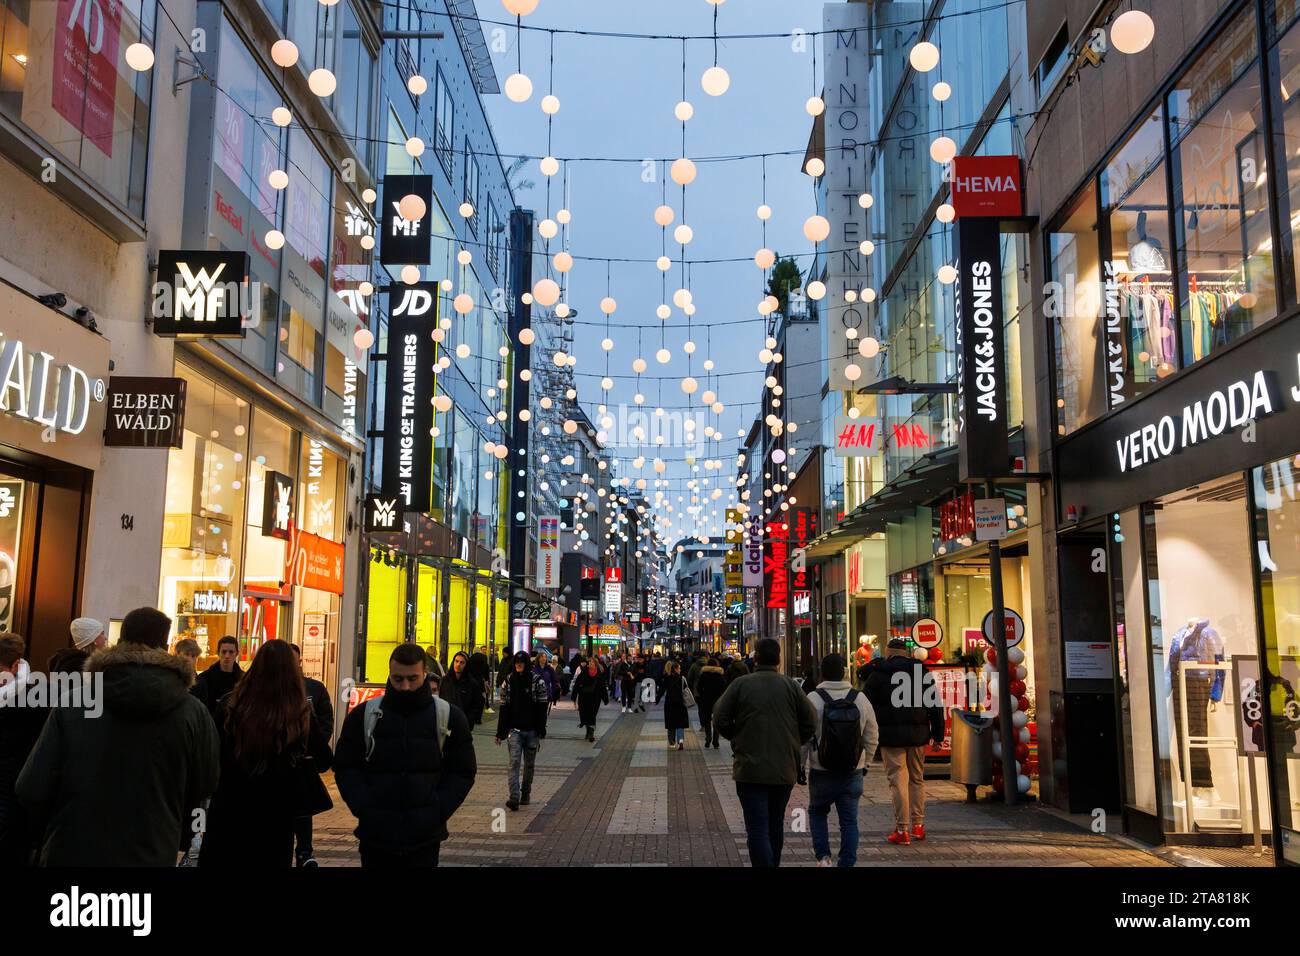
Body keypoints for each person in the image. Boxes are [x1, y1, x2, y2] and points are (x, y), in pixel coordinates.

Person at [17, 607, 219, 866]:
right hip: (151, 851)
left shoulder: (75, 702)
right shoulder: (193, 712)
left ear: (119, 641)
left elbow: (31, 787)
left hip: (72, 851)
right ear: (166, 645)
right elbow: (205, 784)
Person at [334, 643, 477, 867]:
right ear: (389, 675)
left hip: (424, 838)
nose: (406, 686)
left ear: (425, 674)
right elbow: (345, 766)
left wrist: (437, 811)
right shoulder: (365, 715)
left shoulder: (448, 717)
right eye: (398, 679)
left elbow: (463, 771)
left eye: (413, 678)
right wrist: (364, 808)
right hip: (376, 836)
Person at [198, 641, 332, 867]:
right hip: (276, 813)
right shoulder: (298, 712)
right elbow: (324, 760)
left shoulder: (232, 704)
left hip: (230, 807)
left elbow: (210, 753)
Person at [712, 638, 816, 868]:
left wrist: (737, 737)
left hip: (749, 769)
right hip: (783, 768)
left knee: (757, 828)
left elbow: (719, 718)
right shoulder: (790, 686)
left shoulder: (740, 685)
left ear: (755, 658)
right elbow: (811, 721)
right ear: (779, 659)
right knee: (775, 824)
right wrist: (794, 740)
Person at [863, 638, 944, 845]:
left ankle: (902, 830)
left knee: (898, 781)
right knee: (917, 779)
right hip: (918, 735)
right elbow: (934, 704)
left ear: (888, 653)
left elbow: (865, 705)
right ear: (906, 654)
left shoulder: (878, 674)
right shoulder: (920, 671)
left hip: (891, 737)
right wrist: (939, 735)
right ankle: (918, 825)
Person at [803, 653, 879, 868]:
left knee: (817, 813)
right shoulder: (860, 698)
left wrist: (800, 765)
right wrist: (867, 763)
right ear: (844, 673)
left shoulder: (813, 698)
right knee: (849, 821)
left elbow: (804, 737)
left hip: (821, 769)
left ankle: (823, 857)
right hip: (852, 770)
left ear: (822, 673)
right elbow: (872, 735)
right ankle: (846, 863)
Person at [289, 642, 335, 868]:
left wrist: (316, 744)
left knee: (302, 808)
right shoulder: (268, 691)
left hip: (302, 761)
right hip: (279, 764)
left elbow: (326, 721)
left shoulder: (313, 689)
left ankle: (304, 851)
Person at [495, 651, 550, 810]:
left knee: (529, 765)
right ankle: (514, 797)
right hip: (515, 731)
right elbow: (504, 707)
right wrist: (501, 732)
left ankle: (525, 793)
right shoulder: (509, 681)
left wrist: (541, 728)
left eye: (521, 663)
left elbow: (542, 705)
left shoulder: (536, 681)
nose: (519, 665)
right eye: (516, 663)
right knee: (514, 763)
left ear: (526, 663)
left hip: (532, 731)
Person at [191, 634, 243, 719]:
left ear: (237, 653)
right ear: (218, 652)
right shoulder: (204, 678)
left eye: (231, 652)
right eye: (224, 652)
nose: (227, 656)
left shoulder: (243, 679)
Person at [571, 657, 607, 742]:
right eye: (589, 662)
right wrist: (574, 696)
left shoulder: (599, 674)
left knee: (592, 715)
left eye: (592, 662)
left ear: (595, 664)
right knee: (585, 714)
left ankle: (591, 733)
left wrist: (605, 699)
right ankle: (588, 730)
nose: (590, 664)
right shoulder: (583, 672)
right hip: (584, 698)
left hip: (595, 698)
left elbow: (602, 687)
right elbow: (576, 685)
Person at [694, 656, 727, 749]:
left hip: (706, 700)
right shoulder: (719, 675)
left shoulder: (703, 675)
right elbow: (724, 687)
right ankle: (716, 741)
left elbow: (699, 687)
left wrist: (702, 695)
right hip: (717, 700)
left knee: (707, 720)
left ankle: (708, 738)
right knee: (716, 720)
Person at [658, 661, 690, 750]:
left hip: (669, 703)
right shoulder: (682, 678)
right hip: (680, 703)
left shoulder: (667, 678)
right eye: (679, 668)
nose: (680, 669)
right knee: (680, 723)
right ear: (675, 669)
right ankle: (680, 740)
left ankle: (672, 743)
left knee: (671, 723)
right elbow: (686, 689)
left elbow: (661, 690)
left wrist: (657, 700)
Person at [466, 652, 491, 725]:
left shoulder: (470, 664)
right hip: (480, 684)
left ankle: (472, 717)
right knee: (480, 701)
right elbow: (486, 675)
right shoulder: (484, 662)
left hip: (471, 684)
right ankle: (478, 718)